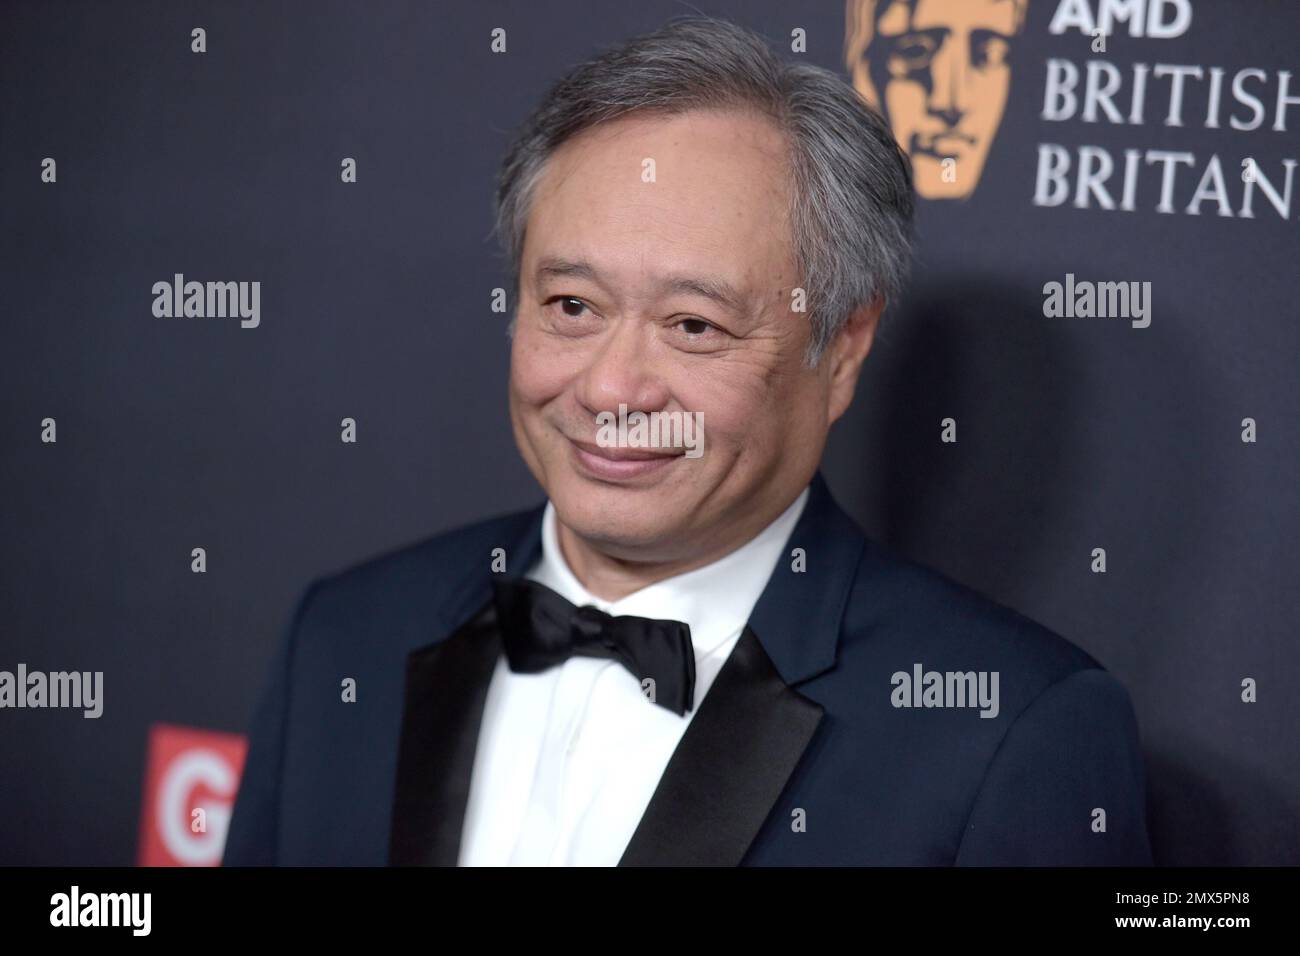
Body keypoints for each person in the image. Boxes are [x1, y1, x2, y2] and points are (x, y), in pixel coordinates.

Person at [223, 15, 1151, 866]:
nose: (612, 388)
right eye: (572, 307)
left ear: (841, 351)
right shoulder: (345, 636)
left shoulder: (1014, 731)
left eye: (695, 325)